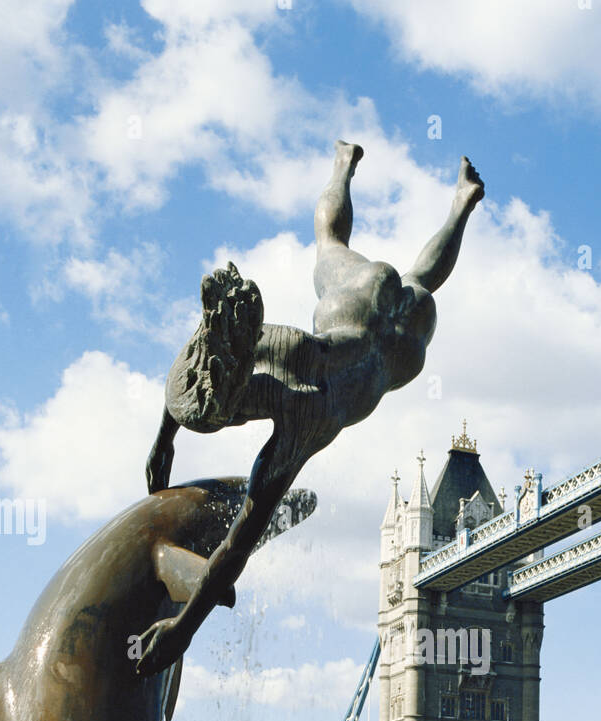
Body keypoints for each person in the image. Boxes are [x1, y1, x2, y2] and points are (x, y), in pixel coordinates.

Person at [135, 140, 484, 679]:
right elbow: (212, 350)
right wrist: (167, 433)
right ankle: (358, 168)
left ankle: (458, 201)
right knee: (330, 242)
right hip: (360, 303)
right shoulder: (279, 345)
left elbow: (236, 548)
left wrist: (183, 631)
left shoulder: (303, 427)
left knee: (417, 277)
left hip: (403, 348)